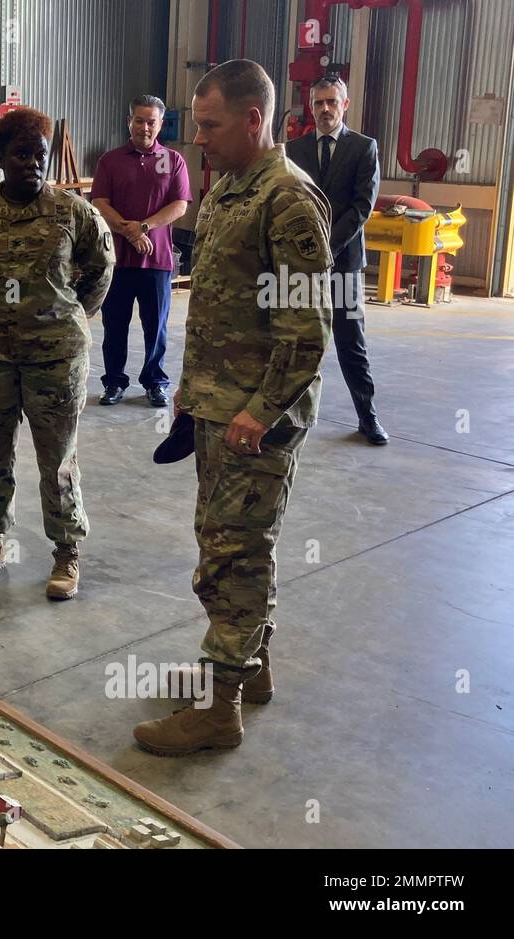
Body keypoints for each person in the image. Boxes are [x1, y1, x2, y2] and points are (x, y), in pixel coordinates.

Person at [133, 60, 332, 756]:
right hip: (219, 406)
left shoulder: (288, 199)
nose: (198, 139)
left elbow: (306, 328)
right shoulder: (227, 191)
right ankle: (250, 668)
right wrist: (192, 388)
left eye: (210, 125)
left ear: (253, 119)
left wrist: (262, 410)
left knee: (233, 556)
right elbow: (221, 304)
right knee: (230, 544)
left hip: (255, 420)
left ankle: (219, 709)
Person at [0, 107, 115, 600]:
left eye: (40, 155)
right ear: (0, 157)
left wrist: (70, 317)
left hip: (56, 360)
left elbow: (101, 266)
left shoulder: (73, 213)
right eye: (21, 154)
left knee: (57, 460)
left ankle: (66, 551)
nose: (34, 164)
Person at [286, 76, 388, 445]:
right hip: (300, 264)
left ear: (345, 105)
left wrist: (325, 248)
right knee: (294, 339)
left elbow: (362, 206)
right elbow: (289, 201)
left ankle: (367, 416)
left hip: (343, 264)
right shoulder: (293, 150)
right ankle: (284, 415)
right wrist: (305, 250)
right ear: (311, 107)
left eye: (332, 102)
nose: (325, 109)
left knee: (350, 342)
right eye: (319, 103)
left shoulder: (363, 148)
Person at [90, 95, 191, 408]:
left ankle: (155, 382)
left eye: (151, 122)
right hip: (117, 260)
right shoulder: (110, 161)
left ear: (160, 125)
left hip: (157, 261)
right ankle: (114, 382)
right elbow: (100, 202)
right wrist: (128, 232)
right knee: (114, 325)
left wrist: (144, 227)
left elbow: (180, 205)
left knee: (156, 327)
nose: (144, 127)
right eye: (139, 120)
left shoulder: (173, 161)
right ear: (129, 121)